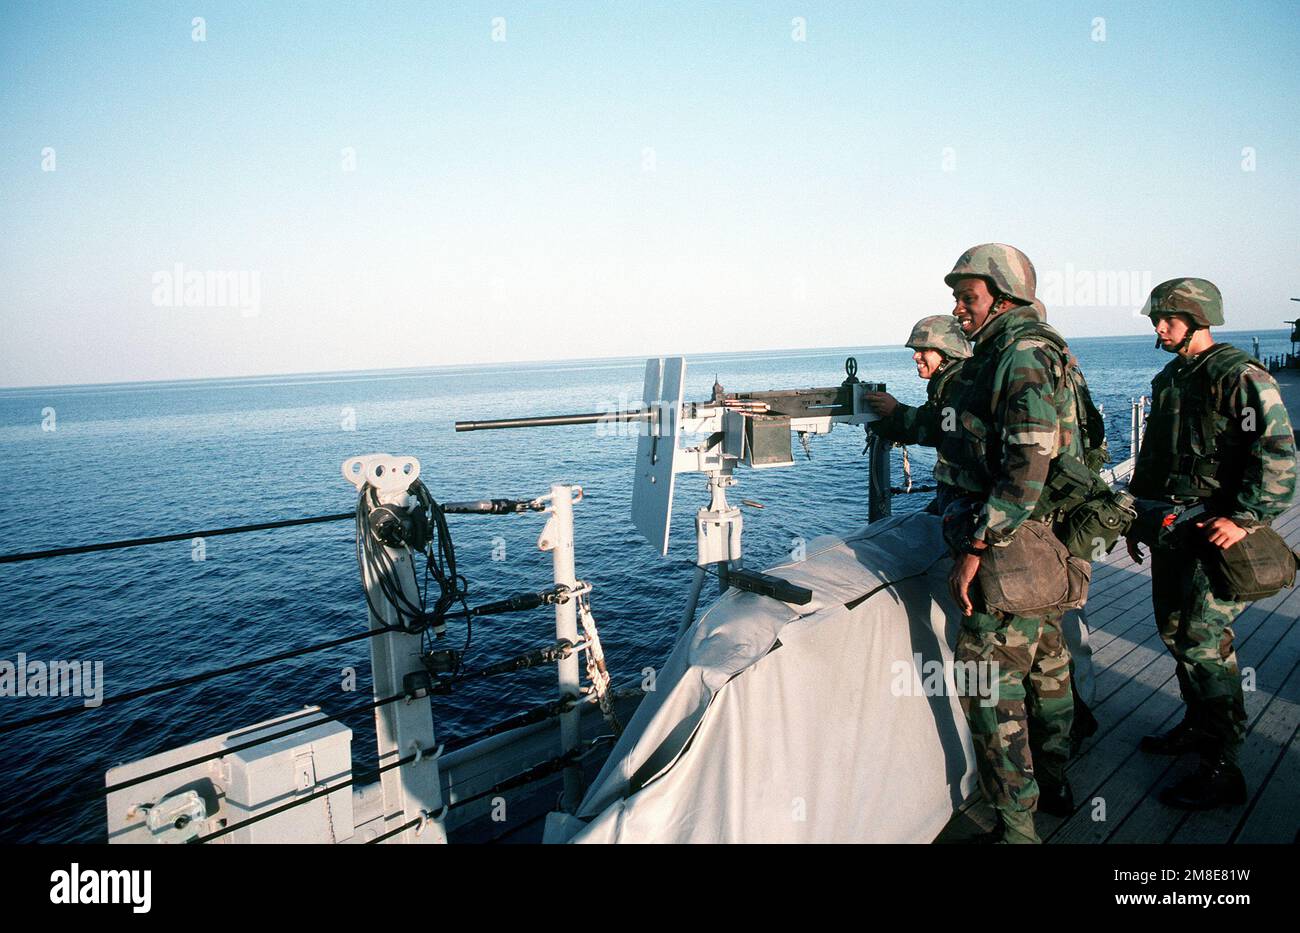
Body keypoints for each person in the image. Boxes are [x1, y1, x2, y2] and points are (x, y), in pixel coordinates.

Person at [933, 243, 1087, 843]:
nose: (958, 308)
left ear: (1003, 298)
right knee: (1050, 672)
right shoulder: (1047, 351)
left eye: (967, 298)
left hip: (1010, 555)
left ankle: (1018, 831)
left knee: (992, 697)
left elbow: (1028, 459)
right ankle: (1056, 785)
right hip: (1050, 548)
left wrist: (976, 548)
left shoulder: (1017, 356)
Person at [1125, 278, 1296, 809]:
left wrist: (1244, 518)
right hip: (1172, 531)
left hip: (1216, 533)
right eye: (1157, 317)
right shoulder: (1171, 378)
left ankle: (1223, 766)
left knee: (1203, 642)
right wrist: (1138, 518)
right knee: (1177, 633)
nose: (1158, 327)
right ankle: (1199, 729)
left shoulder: (1239, 376)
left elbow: (1278, 455)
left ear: (1199, 318)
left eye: (1168, 318)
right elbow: (1154, 460)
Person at [865, 315, 972, 514]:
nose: (916, 357)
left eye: (923, 350)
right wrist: (881, 422)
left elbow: (943, 431)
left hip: (966, 496)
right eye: (916, 351)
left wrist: (896, 410)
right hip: (956, 490)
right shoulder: (948, 381)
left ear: (947, 352)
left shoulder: (961, 383)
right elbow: (930, 420)